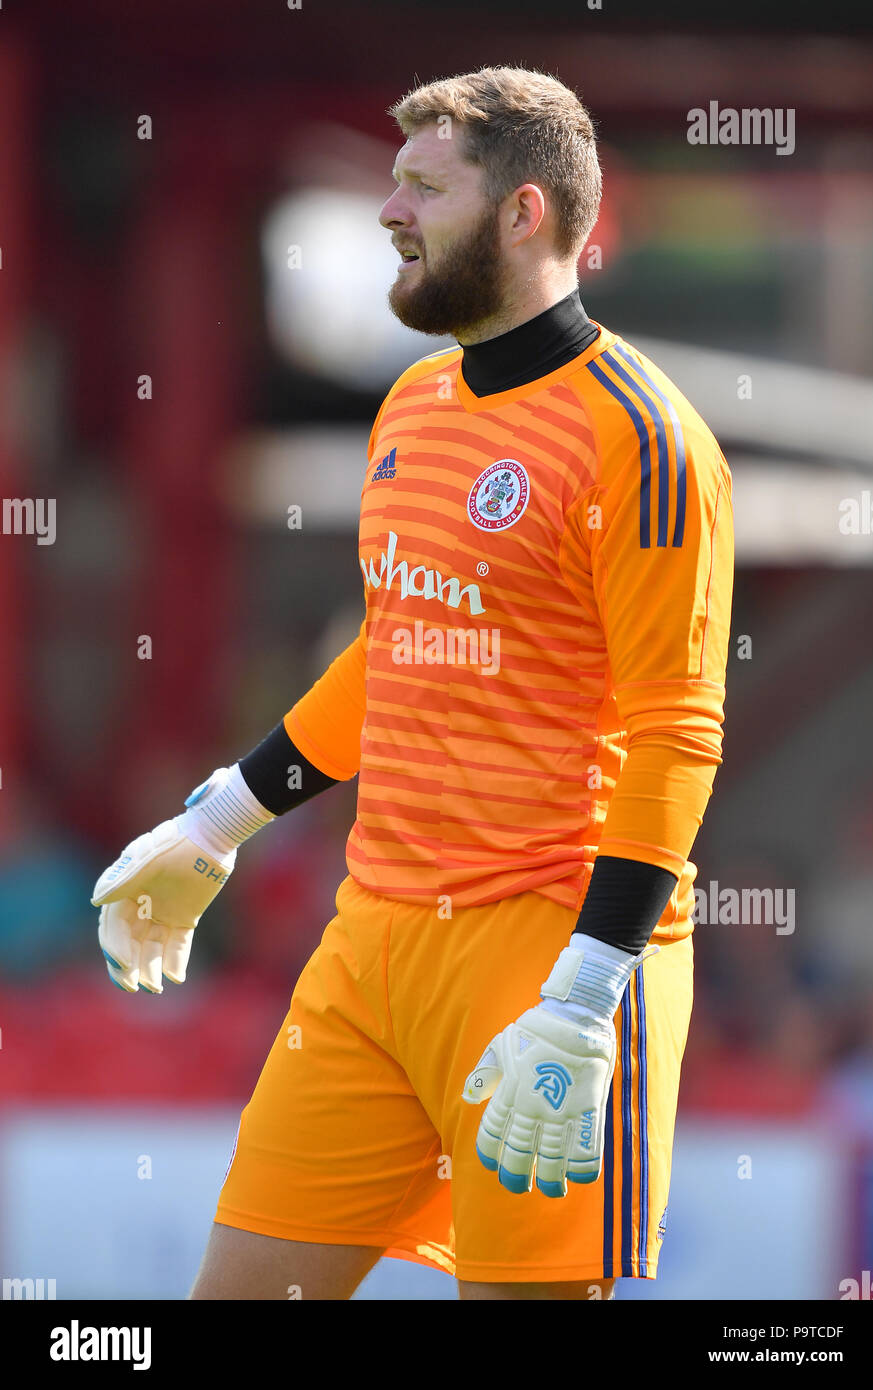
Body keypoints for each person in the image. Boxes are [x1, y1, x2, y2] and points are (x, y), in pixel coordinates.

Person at [92, 65, 734, 1301]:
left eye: (422, 185)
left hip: (546, 956)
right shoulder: (413, 405)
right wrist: (217, 817)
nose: (388, 208)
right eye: (392, 181)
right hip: (373, 942)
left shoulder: (640, 437)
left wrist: (585, 994)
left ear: (524, 214)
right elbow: (397, 646)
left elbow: (674, 730)